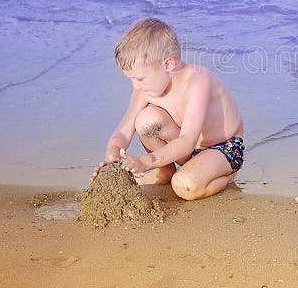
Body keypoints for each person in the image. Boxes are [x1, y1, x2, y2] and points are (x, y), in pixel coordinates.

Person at [90, 17, 244, 200]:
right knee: (145, 120)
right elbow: (123, 132)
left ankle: (226, 176)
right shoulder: (144, 90)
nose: (135, 86)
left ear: (168, 64)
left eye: (139, 78)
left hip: (222, 149)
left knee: (184, 185)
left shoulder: (197, 81)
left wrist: (145, 162)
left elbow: (187, 140)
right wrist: (111, 157)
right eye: (130, 79)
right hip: (185, 150)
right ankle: (165, 171)